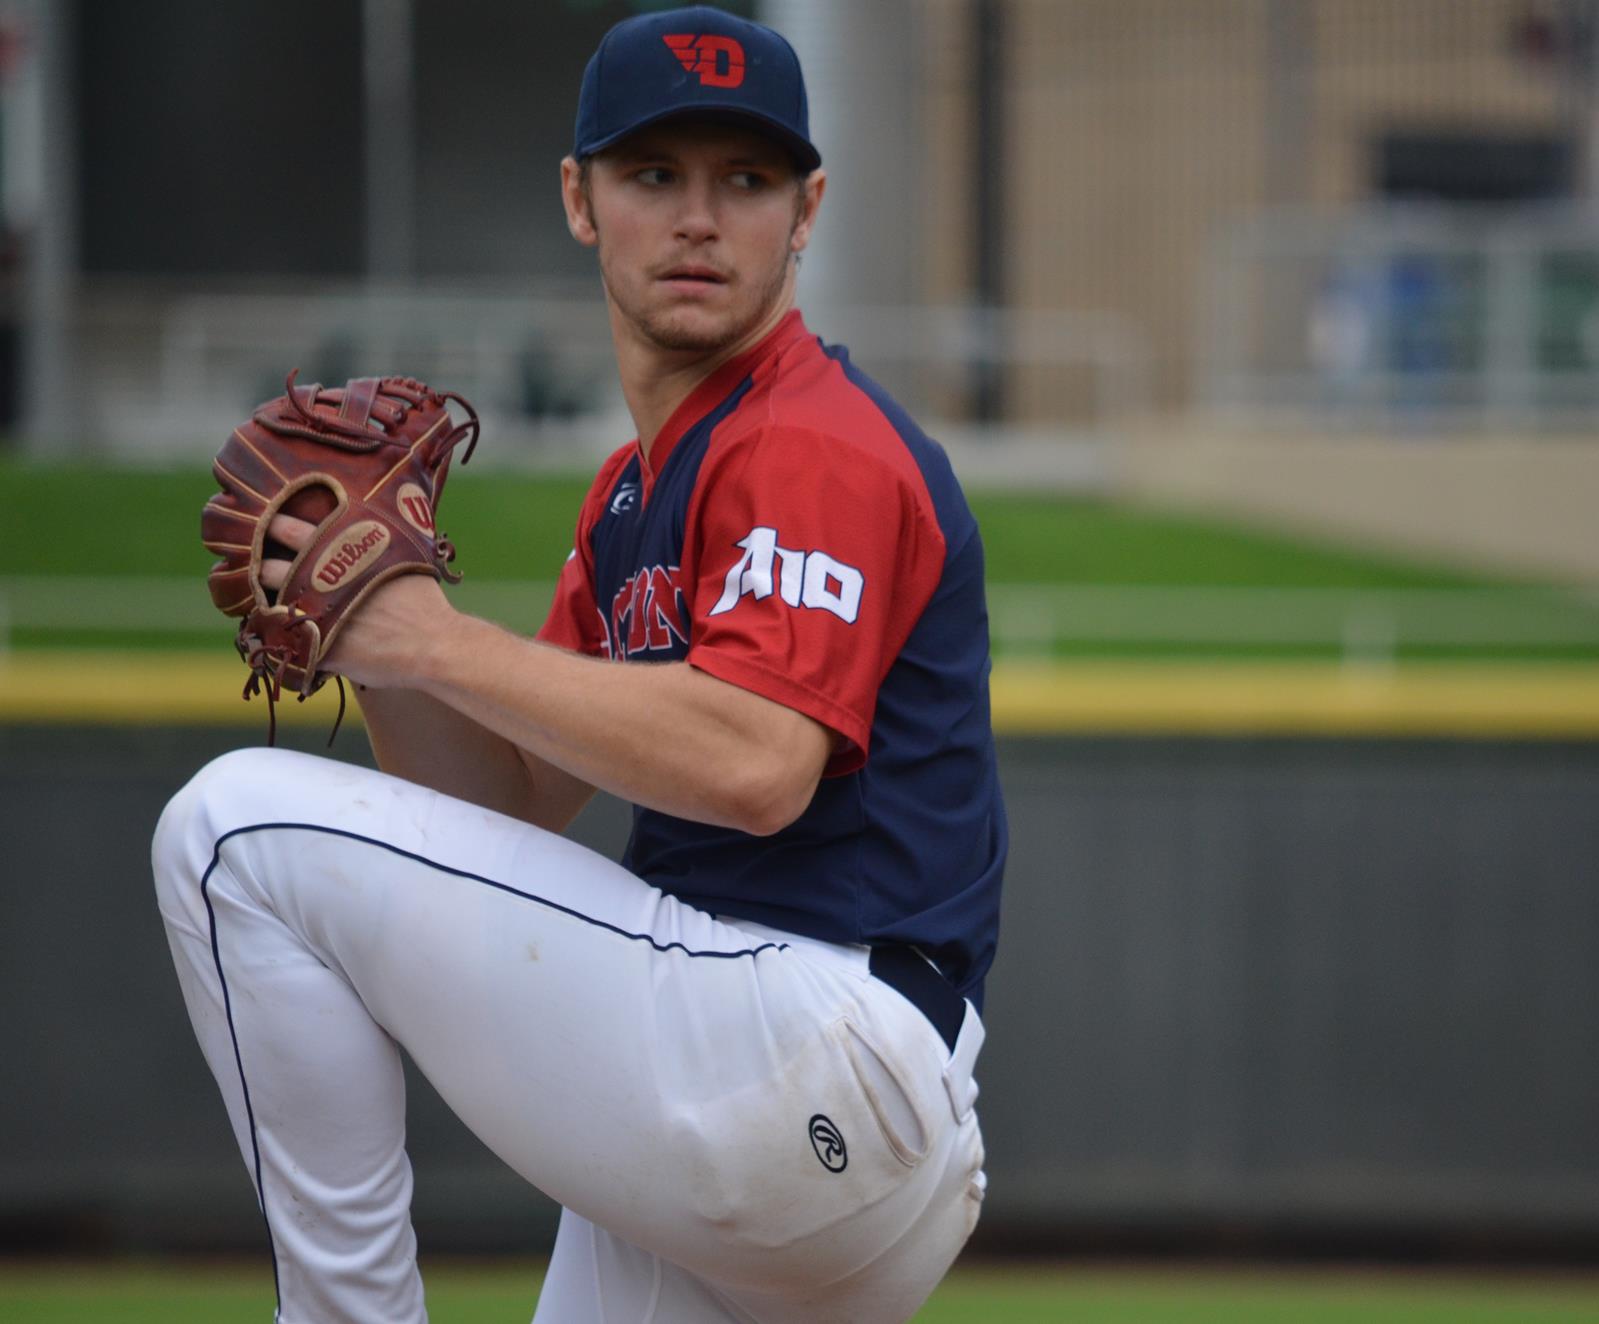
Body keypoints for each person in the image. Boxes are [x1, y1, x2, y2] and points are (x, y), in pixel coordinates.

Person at [151, 7, 1005, 1320]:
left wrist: (442, 640)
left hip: (818, 1044)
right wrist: (370, 628)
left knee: (228, 835)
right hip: (790, 1117)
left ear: (808, 208)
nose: (700, 218)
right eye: (654, 174)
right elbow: (502, 804)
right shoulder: (627, 499)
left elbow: (758, 765)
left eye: (747, 179)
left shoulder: (812, 443)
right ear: (579, 199)